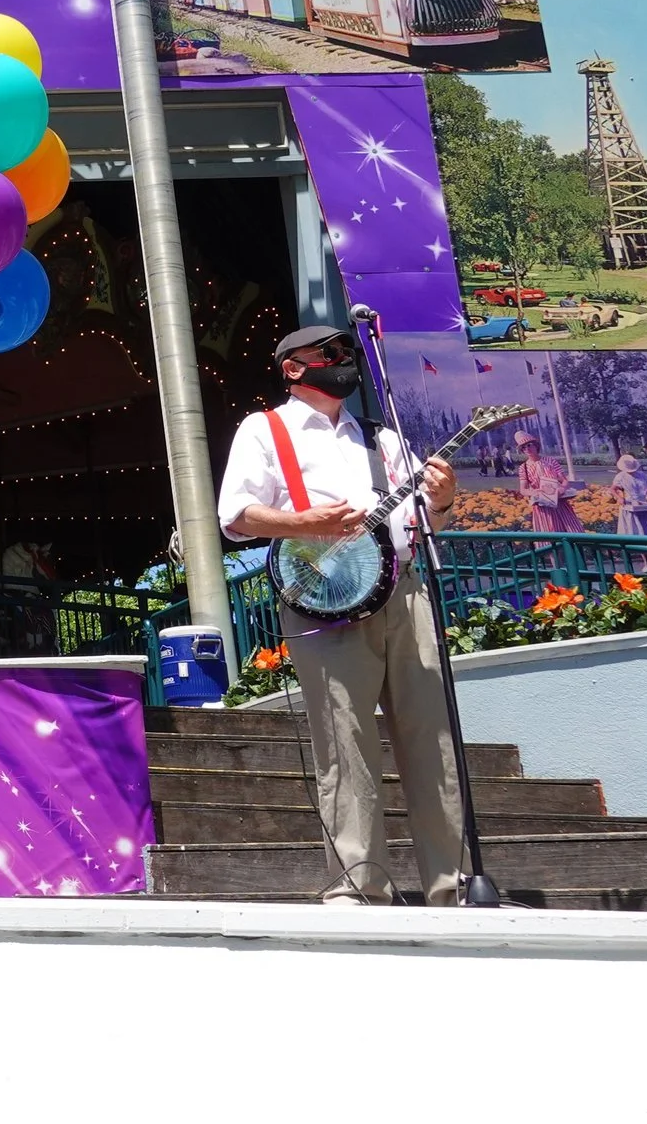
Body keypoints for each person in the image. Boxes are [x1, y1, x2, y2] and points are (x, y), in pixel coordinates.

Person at [216, 323, 464, 906]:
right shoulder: (264, 429)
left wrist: (445, 498)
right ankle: (359, 886)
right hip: (326, 601)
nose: (343, 359)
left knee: (433, 739)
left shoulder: (379, 437)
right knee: (343, 745)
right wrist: (307, 524)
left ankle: (449, 885)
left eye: (346, 351)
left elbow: (427, 518)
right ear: (293, 367)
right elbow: (236, 515)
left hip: (403, 590)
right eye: (329, 352)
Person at [516, 432, 582, 532]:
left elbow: (564, 480)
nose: (527, 449)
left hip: (559, 502)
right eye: (523, 448)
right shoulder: (523, 468)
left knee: (572, 531)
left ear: (536, 445)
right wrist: (534, 492)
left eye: (529, 445)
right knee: (550, 535)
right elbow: (523, 490)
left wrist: (562, 488)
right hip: (542, 506)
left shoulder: (550, 461)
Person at [612, 453, 647, 535]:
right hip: (629, 503)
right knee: (632, 526)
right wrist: (619, 498)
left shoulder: (641, 475)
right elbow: (613, 489)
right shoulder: (621, 476)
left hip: (643, 503)